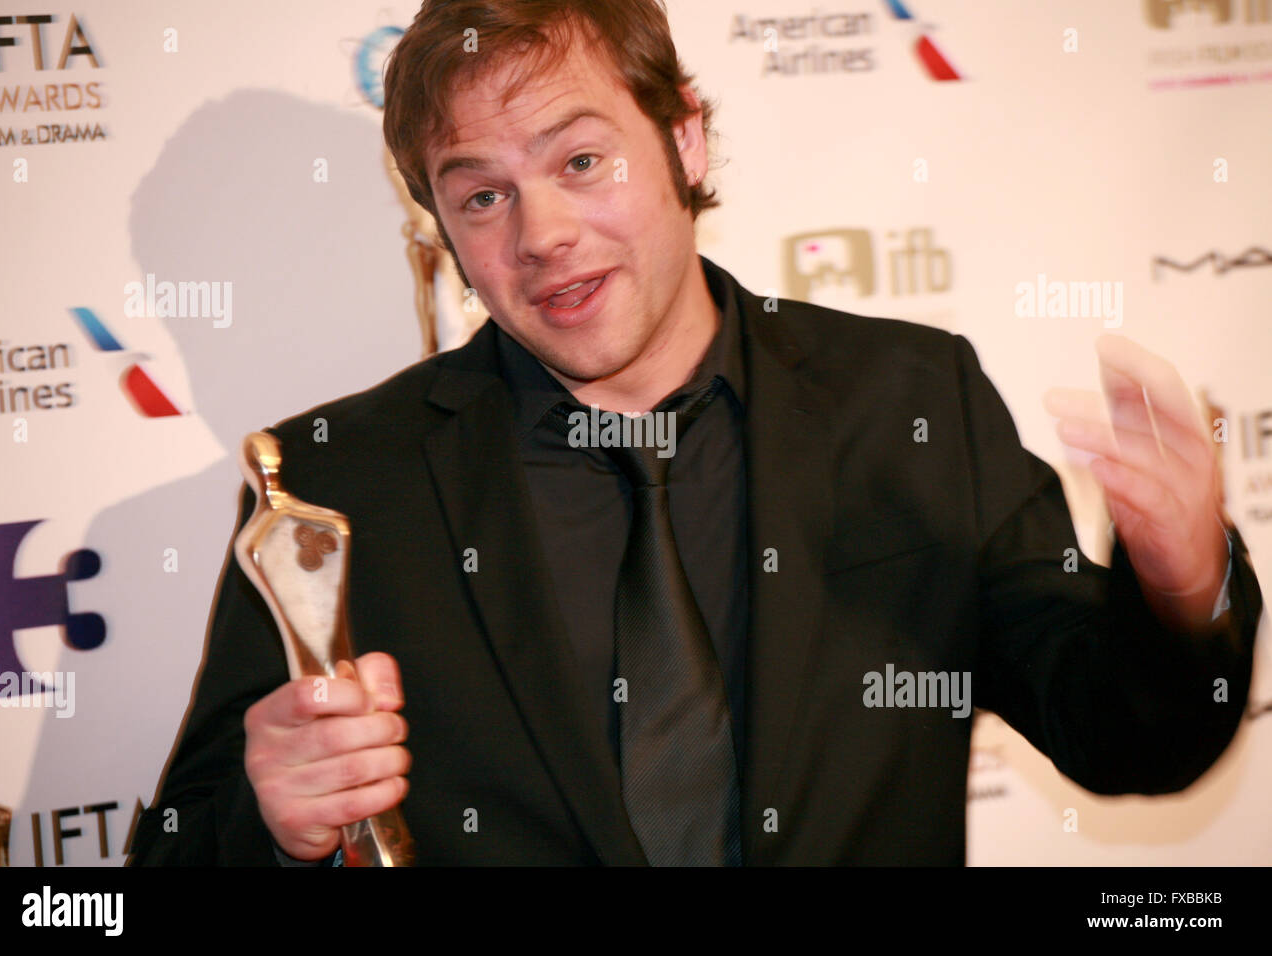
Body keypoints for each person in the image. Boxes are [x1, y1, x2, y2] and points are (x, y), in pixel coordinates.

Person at [127, 0, 1262, 866]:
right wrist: (271, 822)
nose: (543, 233)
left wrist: (1181, 584)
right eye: (481, 196)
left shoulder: (906, 400)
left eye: (581, 161)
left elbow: (1132, 741)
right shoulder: (334, 483)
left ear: (686, 142)